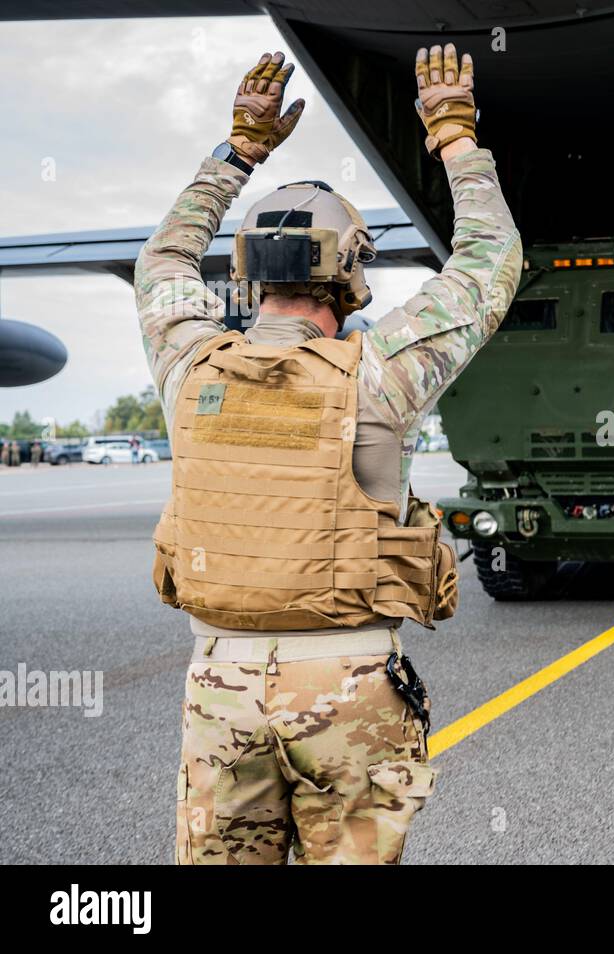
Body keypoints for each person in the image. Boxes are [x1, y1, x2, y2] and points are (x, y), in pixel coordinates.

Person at [136, 46, 520, 864]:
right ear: (349, 272)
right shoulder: (381, 373)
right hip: (350, 690)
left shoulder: (187, 366)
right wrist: (454, 134)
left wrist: (238, 148)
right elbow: (489, 264)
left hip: (220, 690)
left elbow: (164, 260)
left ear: (244, 271)